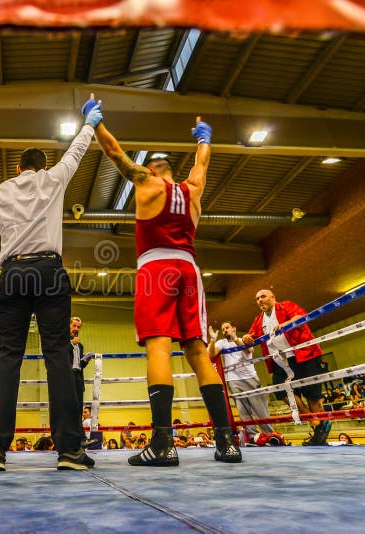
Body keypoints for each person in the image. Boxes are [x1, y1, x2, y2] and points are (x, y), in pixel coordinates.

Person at [0, 103, 102, 472]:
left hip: (13, 274)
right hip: (49, 271)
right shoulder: (55, 178)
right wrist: (90, 123)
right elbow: (77, 151)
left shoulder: (0, 191)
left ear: (18, 169)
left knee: (7, 357)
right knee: (58, 357)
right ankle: (69, 451)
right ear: (43, 167)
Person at [87, 95, 241, 467]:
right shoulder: (193, 189)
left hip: (156, 269)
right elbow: (202, 163)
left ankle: (162, 444)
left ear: (153, 171)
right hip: (189, 269)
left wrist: (94, 122)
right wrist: (204, 138)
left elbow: (113, 152)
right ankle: (227, 443)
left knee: (158, 347)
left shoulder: (145, 183)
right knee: (198, 352)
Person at [242, 290, 332, 446]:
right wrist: (246, 338)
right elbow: (251, 336)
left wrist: (286, 324)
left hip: (305, 356)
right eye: (257, 299)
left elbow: (300, 317)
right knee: (281, 390)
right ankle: (318, 425)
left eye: (263, 297)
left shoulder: (286, 306)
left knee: (313, 397)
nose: (260, 300)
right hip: (281, 362)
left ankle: (320, 435)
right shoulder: (259, 319)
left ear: (273, 297)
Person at [208, 321, 276, 443]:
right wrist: (212, 340)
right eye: (223, 329)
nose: (225, 331)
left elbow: (249, 350)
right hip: (233, 380)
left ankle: (270, 436)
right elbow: (212, 353)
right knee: (243, 411)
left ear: (234, 328)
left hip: (250, 377)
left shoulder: (244, 338)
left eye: (227, 328)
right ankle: (253, 438)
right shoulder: (222, 343)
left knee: (260, 409)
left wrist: (235, 339)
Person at [69, 317, 95, 424]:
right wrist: (71, 344)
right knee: (67, 406)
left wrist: (86, 361)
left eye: (78, 327)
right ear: (68, 326)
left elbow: (78, 365)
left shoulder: (80, 345)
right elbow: (60, 357)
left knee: (79, 406)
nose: (76, 329)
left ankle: (79, 434)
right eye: (74, 326)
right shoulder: (61, 342)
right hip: (67, 378)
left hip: (78, 377)